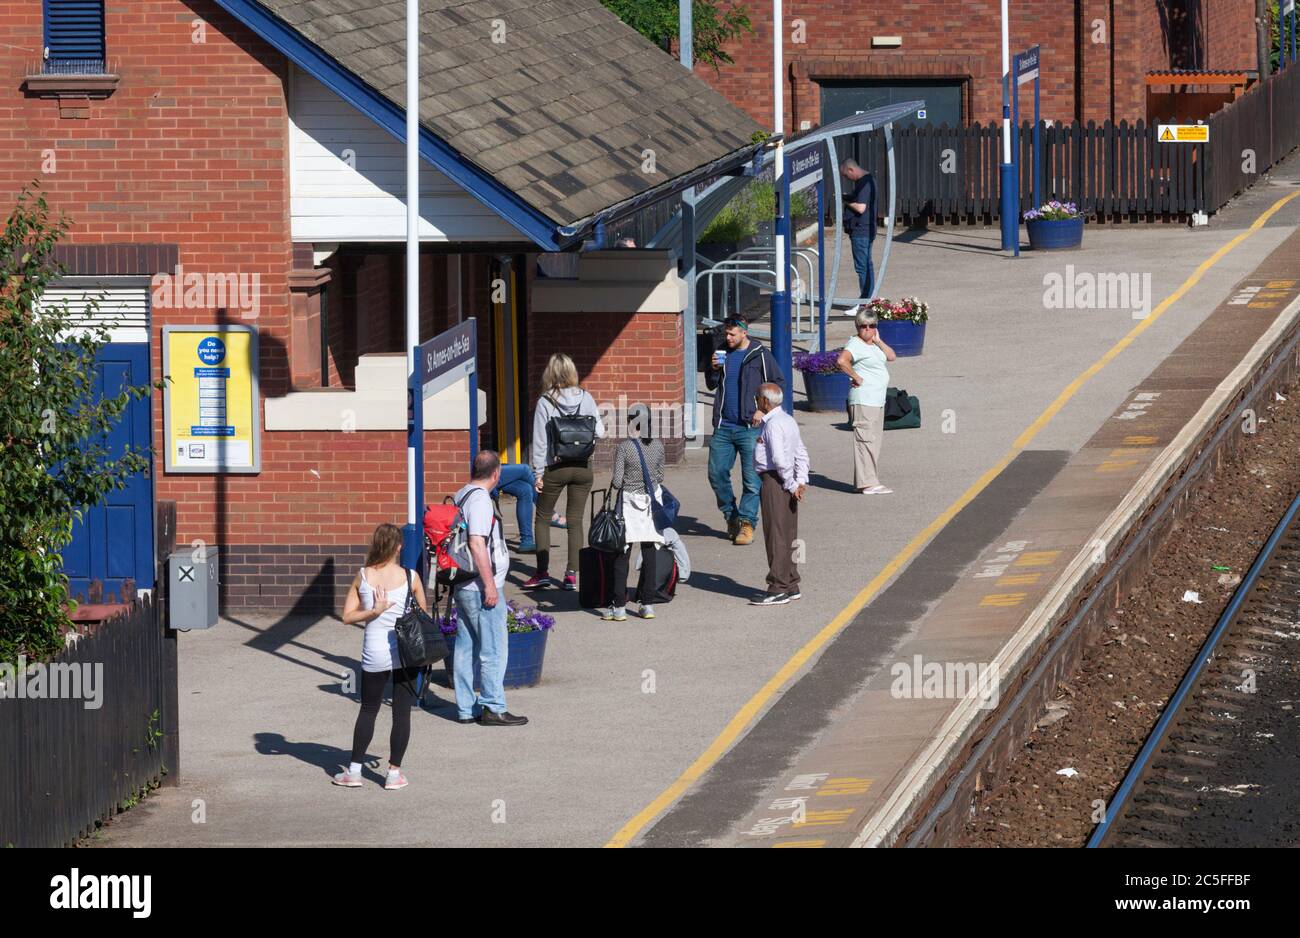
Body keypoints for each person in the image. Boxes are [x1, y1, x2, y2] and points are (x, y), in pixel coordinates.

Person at [334, 522, 430, 789]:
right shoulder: (411, 577)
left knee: (368, 709)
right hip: (405, 652)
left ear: (376, 544)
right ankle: (393, 774)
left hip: (373, 652)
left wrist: (373, 612)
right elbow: (423, 616)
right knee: (401, 713)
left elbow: (347, 617)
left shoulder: (363, 576)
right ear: (399, 547)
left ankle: (353, 771)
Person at [452, 450, 528, 726]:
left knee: (465, 646)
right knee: (493, 648)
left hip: (461, 583)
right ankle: (493, 706)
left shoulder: (462, 493)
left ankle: (464, 707)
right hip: (479, 585)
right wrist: (489, 586)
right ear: (496, 473)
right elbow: (476, 543)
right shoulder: (481, 501)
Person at [525, 353, 606, 589]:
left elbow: (540, 441)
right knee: (575, 521)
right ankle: (571, 574)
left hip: (555, 467)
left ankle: (542, 572)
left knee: (542, 517)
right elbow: (599, 432)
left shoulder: (545, 402)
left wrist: (537, 473)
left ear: (549, 374)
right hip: (582, 468)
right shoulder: (586, 397)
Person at [704, 314, 784, 547]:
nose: (727, 338)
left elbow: (779, 385)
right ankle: (732, 516)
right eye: (726, 334)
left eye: (731, 334)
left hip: (751, 428)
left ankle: (747, 523)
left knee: (751, 480)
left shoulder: (760, 354)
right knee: (716, 474)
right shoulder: (722, 352)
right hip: (723, 426)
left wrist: (764, 410)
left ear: (744, 332)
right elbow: (711, 383)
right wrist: (714, 368)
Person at [603, 402, 665, 622]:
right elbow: (660, 476)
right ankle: (647, 604)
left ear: (632, 421)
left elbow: (618, 481)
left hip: (629, 502)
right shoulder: (657, 445)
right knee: (650, 553)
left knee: (622, 555)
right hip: (650, 502)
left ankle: (618, 607)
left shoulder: (625, 447)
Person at [750, 383, 808, 606]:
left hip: (776, 481)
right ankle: (791, 582)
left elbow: (780, 460)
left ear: (765, 401)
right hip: (789, 480)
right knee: (789, 534)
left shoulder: (773, 425)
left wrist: (792, 484)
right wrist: (801, 481)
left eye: (757, 398)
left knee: (775, 534)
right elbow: (801, 452)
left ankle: (778, 587)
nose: (756, 402)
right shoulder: (789, 420)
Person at [838, 307, 897, 495]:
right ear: (857, 326)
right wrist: (856, 377)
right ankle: (868, 483)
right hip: (864, 399)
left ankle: (868, 480)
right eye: (863, 326)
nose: (868, 329)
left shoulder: (873, 344)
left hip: (876, 400)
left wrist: (879, 341)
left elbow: (891, 356)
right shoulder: (854, 344)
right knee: (865, 441)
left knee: (873, 441)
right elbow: (841, 361)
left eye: (872, 326)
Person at [840, 158, 878, 298]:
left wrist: (846, 200)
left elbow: (861, 207)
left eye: (845, 175)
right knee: (866, 265)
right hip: (864, 230)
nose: (846, 178)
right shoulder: (865, 181)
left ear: (851, 170)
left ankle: (865, 301)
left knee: (862, 267)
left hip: (861, 231)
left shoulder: (864, 183)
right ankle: (868, 299)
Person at [492, 462, 538, 553]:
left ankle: (527, 542)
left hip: (491, 466)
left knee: (525, 489)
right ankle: (548, 512)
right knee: (525, 469)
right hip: (483, 473)